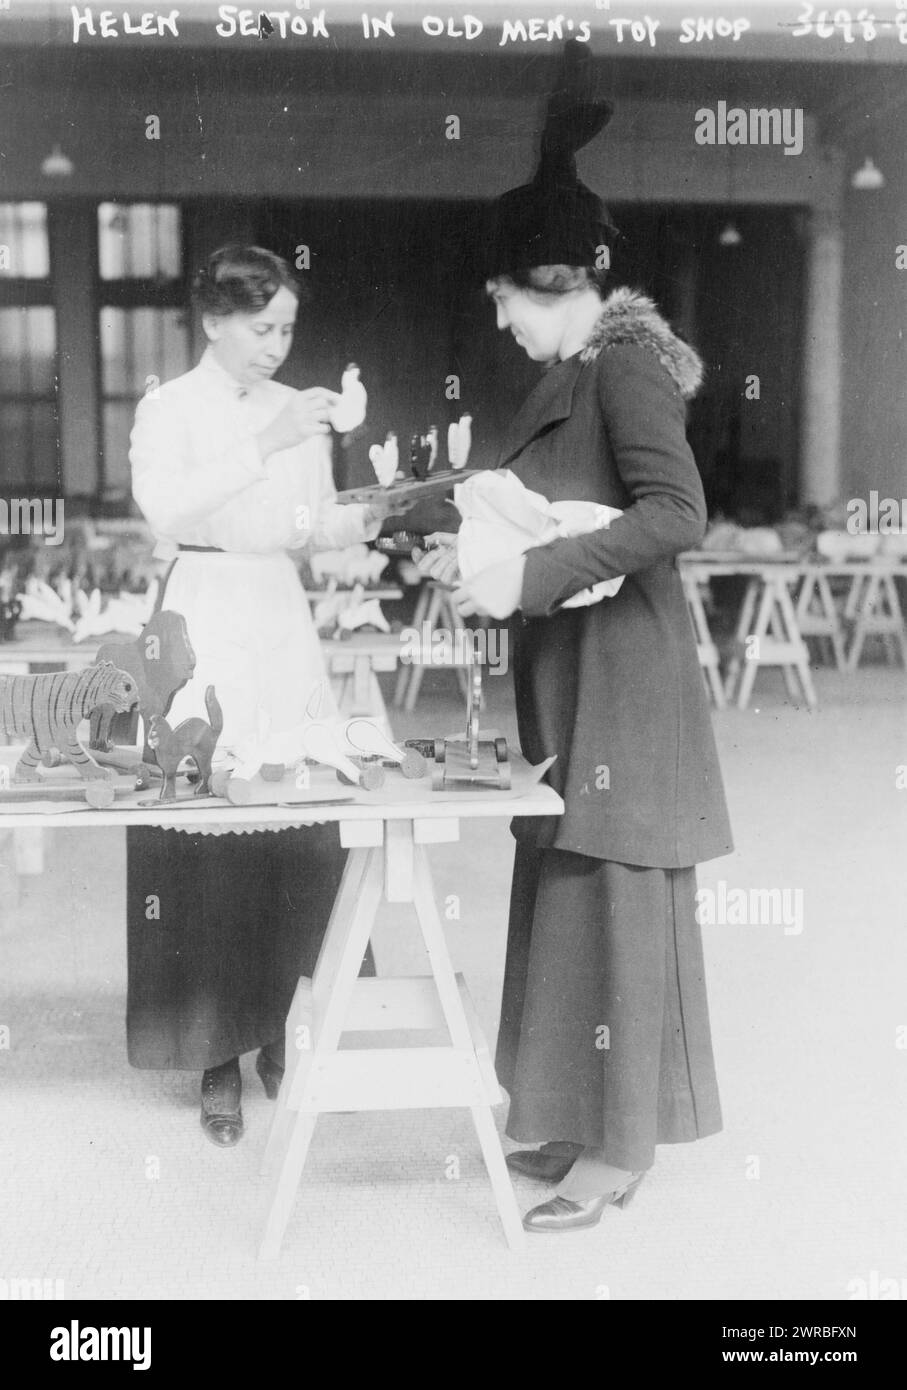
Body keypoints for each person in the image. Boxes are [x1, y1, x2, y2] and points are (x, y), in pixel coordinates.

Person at [417, 46, 733, 1232]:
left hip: (628, 681)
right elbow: (550, 500)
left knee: (613, 889)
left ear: (553, 281)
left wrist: (536, 569)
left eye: (503, 294)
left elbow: (676, 514)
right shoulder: (566, 378)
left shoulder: (623, 370)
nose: (495, 315)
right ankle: (567, 1111)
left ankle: (620, 1145)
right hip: (572, 673)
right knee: (564, 883)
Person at [126, 244, 399, 1146]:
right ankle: (214, 1053)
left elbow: (302, 525)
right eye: (261, 326)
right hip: (202, 612)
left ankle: (289, 1030)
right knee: (205, 819)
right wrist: (261, 446)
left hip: (277, 614)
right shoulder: (169, 407)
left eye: (287, 327)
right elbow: (166, 511)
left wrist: (372, 513)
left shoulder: (300, 410)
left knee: (296, 814)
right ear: (212, 320)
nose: (277, 345)